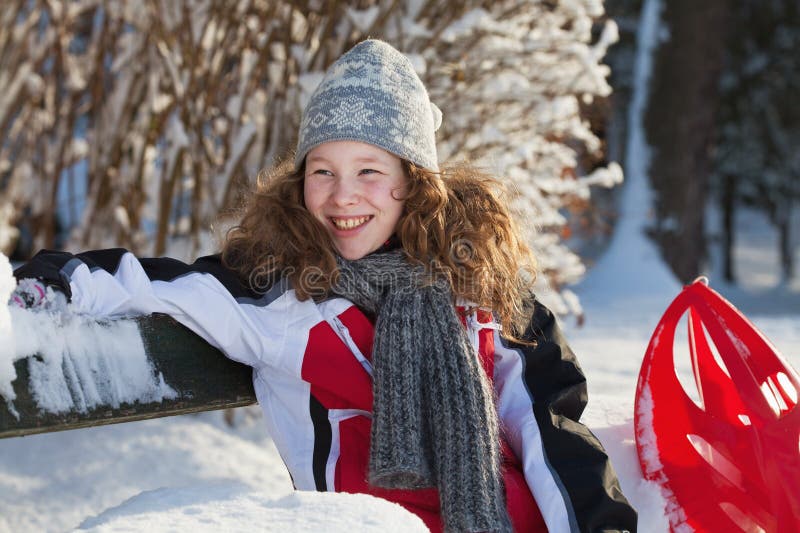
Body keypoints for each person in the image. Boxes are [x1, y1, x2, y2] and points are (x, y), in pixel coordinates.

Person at [11, 40, 637, 532]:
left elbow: (551, 436)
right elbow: (146, 283)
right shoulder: (278, 296)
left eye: (369, 170)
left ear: (414, 183)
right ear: (299, 181)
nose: (343, 196)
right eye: (323, 171)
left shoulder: (480, 290)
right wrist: (46, 284)